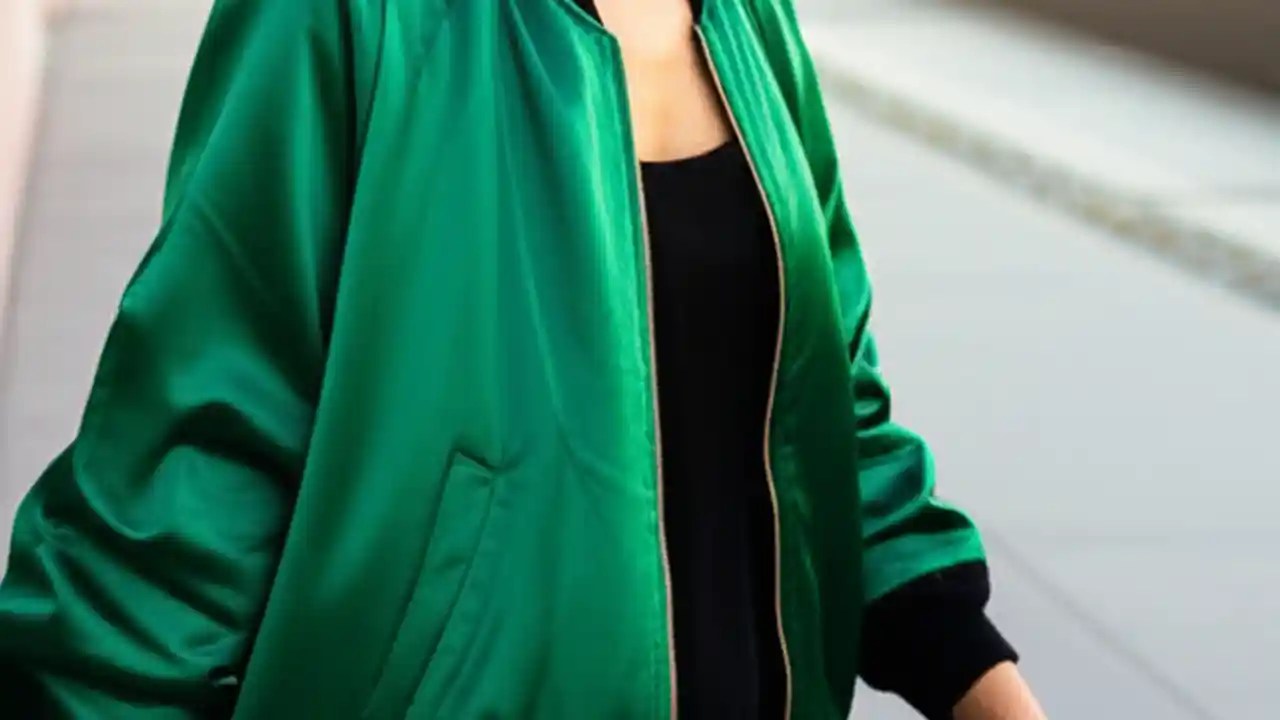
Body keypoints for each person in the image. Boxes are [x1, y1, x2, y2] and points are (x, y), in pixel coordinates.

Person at [0, 0, 1047, 717]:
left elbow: (829, 419)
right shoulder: (344, 17)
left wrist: (979, 678)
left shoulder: (747, 19)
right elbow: (190, 461)